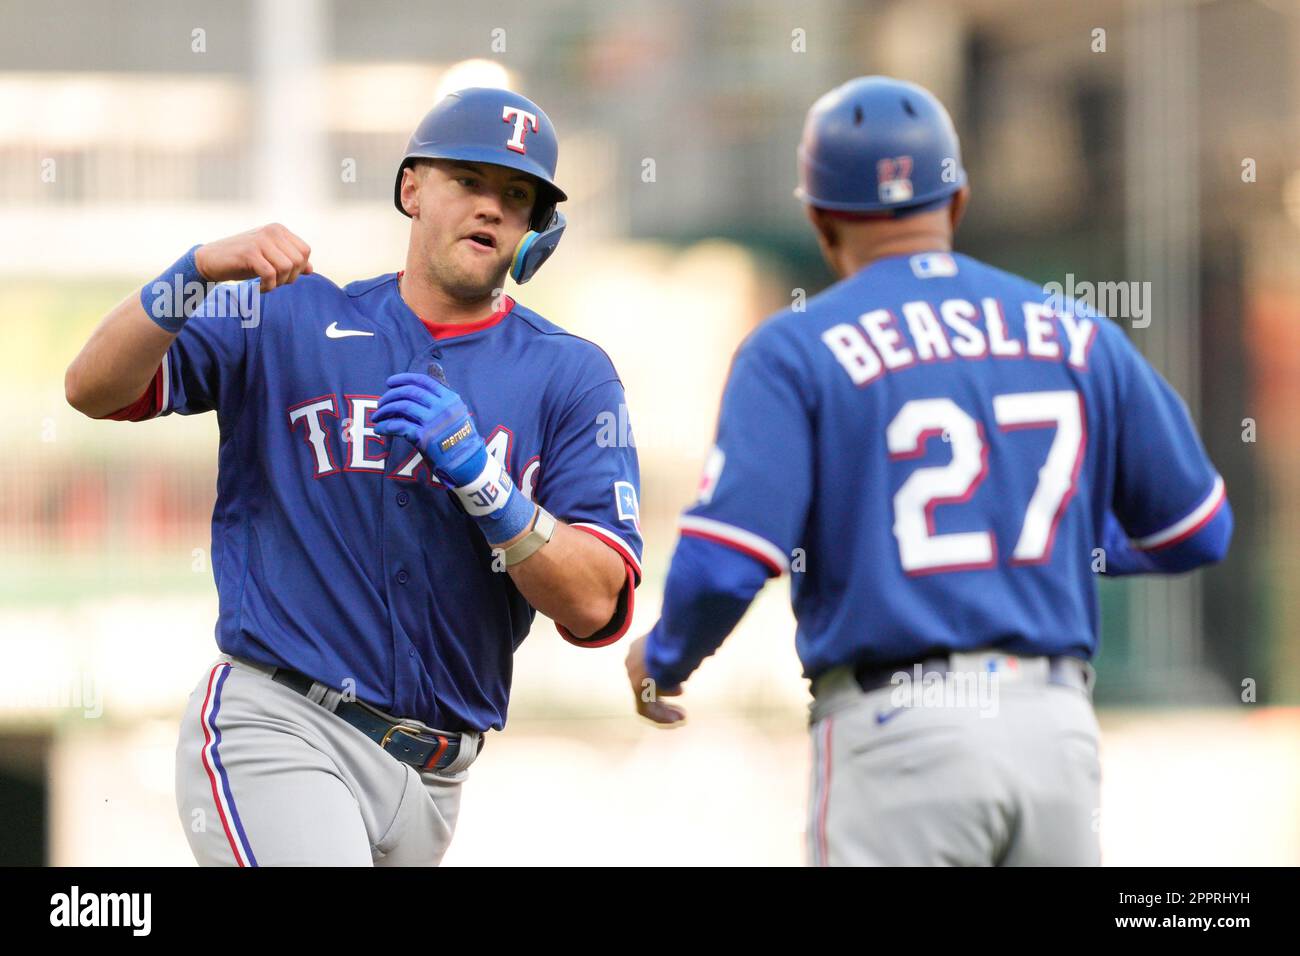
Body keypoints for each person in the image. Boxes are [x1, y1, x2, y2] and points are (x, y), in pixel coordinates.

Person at [624, 76, 1231, 866]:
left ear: (818, 216)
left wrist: (666, 655)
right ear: (958, 201)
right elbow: (1197, 528)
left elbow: (729, 563)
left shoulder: (797, 346)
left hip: (902, 731)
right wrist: (1064, 542)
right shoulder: (1077, 331)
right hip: (1055, 733)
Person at [64, 87, 643, 866]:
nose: (491, 208)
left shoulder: (571, 376)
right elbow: (92, 389)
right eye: (467, 181)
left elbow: (596, 600)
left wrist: (489, 487)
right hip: (283, 724)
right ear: (411, 188)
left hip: (436, 779)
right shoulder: (292, 317)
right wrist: (194, 271)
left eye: (517, 196)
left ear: (538, 229)